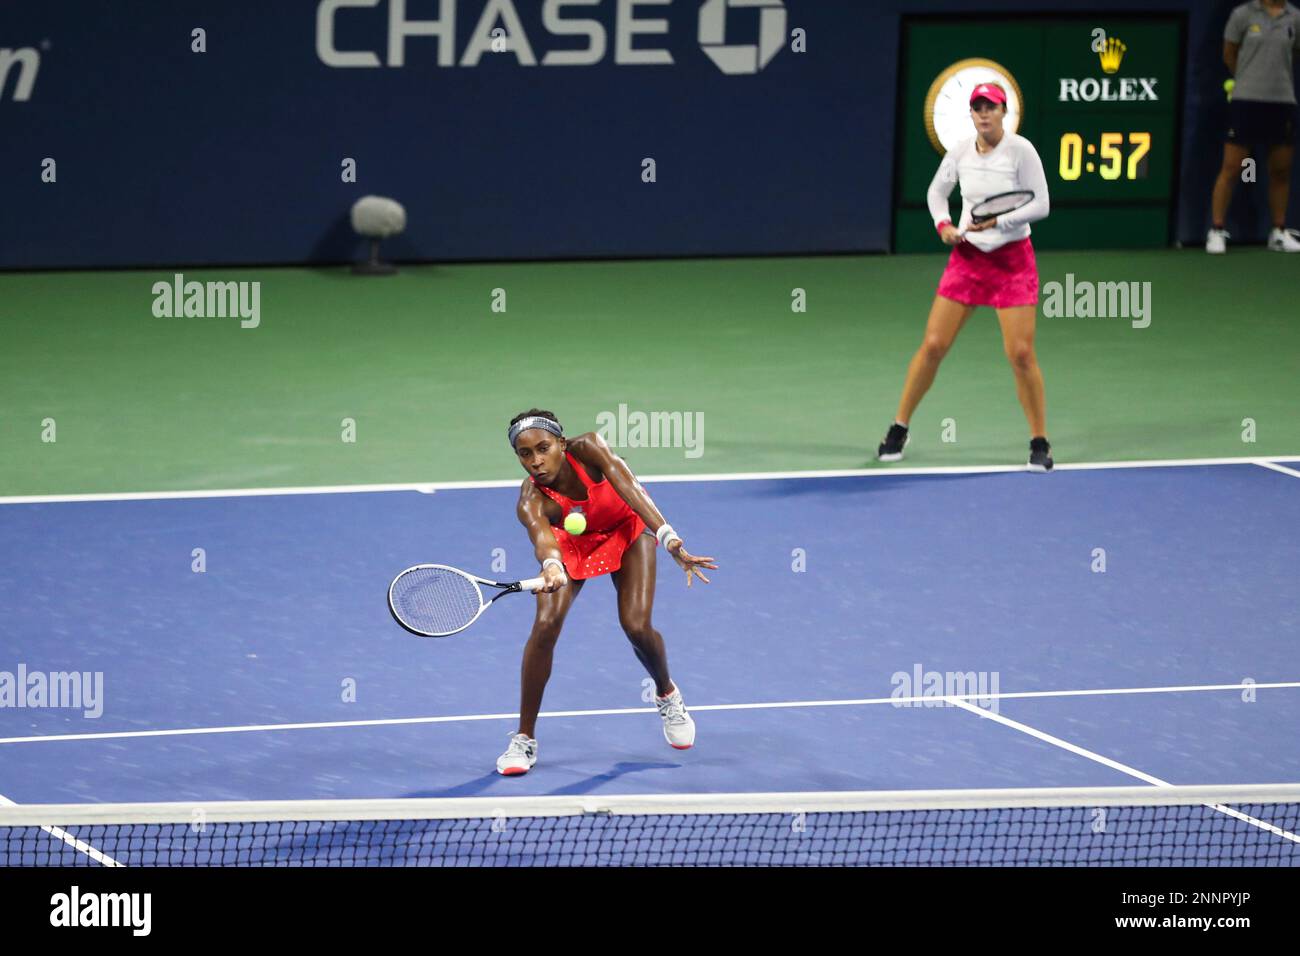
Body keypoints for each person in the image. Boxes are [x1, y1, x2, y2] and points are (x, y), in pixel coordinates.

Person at [496, 409, 718, 776]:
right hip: (573, 543)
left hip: (625, 529)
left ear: (562, 444)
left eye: (543, 448)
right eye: (524, 454)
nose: (535, 461)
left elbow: (629, 488)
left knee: (635, 625)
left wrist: (669, 538)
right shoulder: (530, 500)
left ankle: (666, 693)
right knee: (546, 624)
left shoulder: (590, 449)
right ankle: (524, 738)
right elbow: (542, 539)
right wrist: (552, 565)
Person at [876, 82, 1054, 471]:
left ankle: (1039, 440)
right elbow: (936, 193)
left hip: (1012, 261)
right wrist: (943, 225)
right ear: (971, 114)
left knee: (1020, 354)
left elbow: (1042, 204)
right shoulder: (959, 152)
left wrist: (1000, 221)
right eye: (978, 108)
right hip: (969, 259)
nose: (984, 113)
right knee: (935, 345)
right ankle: (898, 427)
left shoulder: (1021, 151)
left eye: (991, 107)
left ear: (1004, 112)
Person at [1207, 0, 1300, 254]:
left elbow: (1295, 52)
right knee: (1232, 168)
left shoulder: (1295, 17)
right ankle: (1216, 230)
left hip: (1282, 101)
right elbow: (1229, 53)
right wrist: (1248, 79)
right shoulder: (1243, 15)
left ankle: (1279, 232)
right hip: (1246, 100)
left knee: (1280, 170)